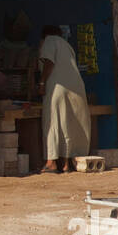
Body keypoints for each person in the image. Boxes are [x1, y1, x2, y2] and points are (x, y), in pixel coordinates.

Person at [38, 24, 91, 173]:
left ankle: (51, 162)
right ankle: (67, 163)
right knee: (68, 123)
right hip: (76, 87)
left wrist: (41, 82)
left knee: (52, 122)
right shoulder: (67, 45)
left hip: (57, 87)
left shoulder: (49, 41)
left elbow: (49, 63)